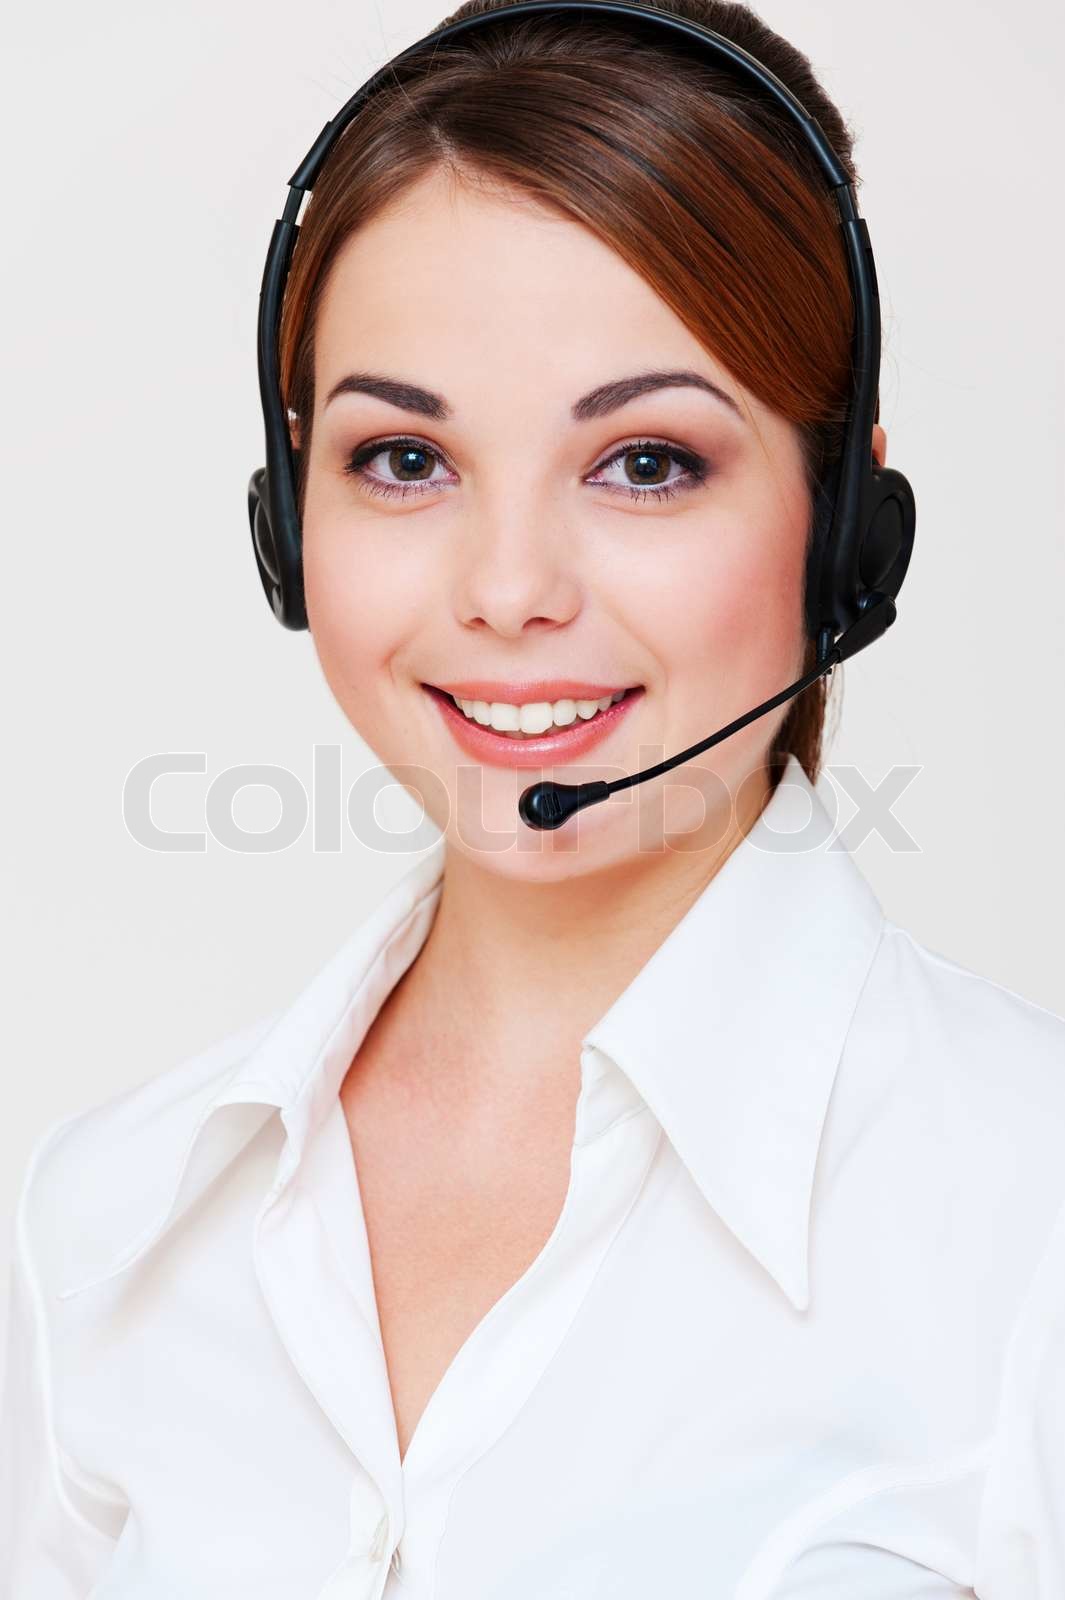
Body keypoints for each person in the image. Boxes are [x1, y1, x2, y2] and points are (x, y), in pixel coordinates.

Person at [2, 1, 1063, 1595]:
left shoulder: (1021, 1216)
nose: (506, 590)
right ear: (287, 523)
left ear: (847, 534)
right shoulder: (112, 1221)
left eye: (644, 462)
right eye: (404, 462)